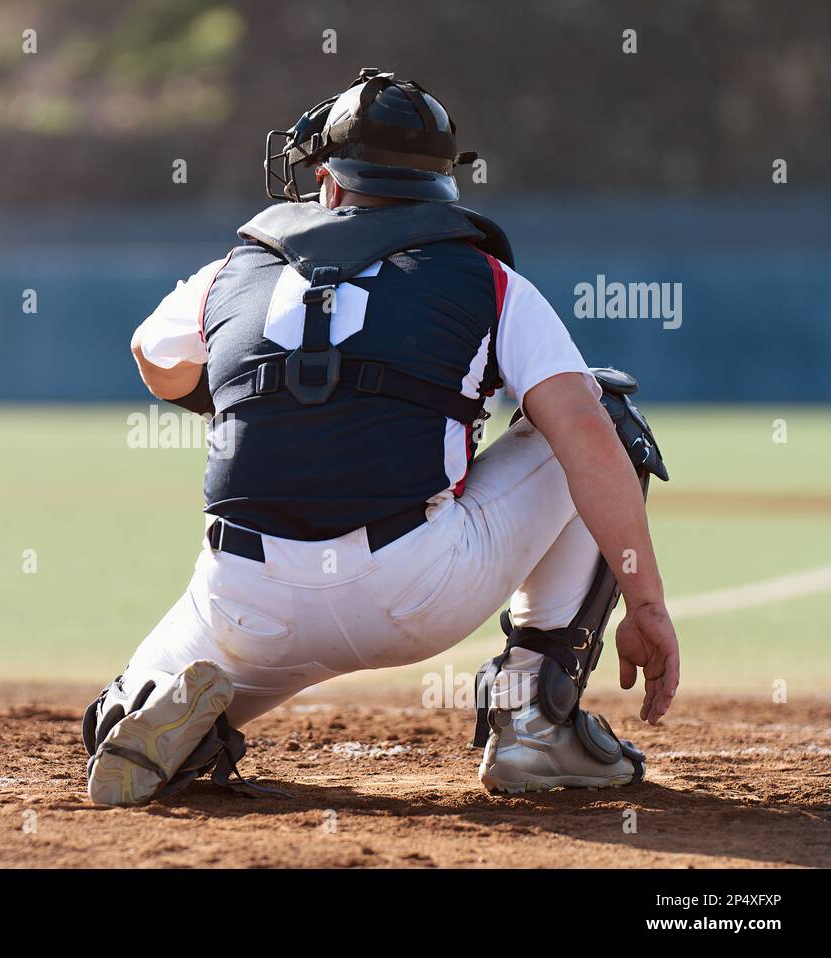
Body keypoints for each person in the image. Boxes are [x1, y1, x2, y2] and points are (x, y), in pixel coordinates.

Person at [82, 69, 680, 806]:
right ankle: (534, 718)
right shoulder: (487, 279)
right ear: (440, 185)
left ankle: (171, 717)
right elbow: (585, 434)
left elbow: (155, 358)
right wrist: (646, 606)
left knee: (117, 722)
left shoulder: (233, 270)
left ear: (328, 181)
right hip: (412, 589)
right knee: (607, 417)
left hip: (244, 597)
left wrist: (258, 398)